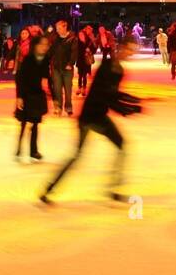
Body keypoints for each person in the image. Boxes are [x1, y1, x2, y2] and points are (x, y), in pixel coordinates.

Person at [40, 37, 142, 205]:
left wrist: (136, 102)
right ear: (120, 47)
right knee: (115, 146)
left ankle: (49, 189)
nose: (129, 53)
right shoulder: (108, 67)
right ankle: (111, 189)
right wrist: (131, 108)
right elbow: (108, 96)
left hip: (94, 115)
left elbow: (114, 95)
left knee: (78, 155)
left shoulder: (118, 69)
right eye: (128, 49)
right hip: (93, 116)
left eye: (132, 50)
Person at [14, 34, 51, 163]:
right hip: (26, 94)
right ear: (36, 46)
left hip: (38, 95)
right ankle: (19, 148)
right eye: (42, 44)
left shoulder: (46, 59)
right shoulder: (28, 60)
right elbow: (20, 79)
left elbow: (47, 77)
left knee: (35, 124)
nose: (45, 47)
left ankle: (33, 151)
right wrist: (19, 97)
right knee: (24, 124)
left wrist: (55, 98)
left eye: (46, 45)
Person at [46, 19, 77, 117]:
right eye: (56, 28)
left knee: (68, 90)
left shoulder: (72, 38)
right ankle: (58, 108)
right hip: (56, 68)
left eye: (59, 28)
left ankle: (68, 107)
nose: (57, 30)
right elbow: (50, 51)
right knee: (57, 89)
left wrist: (70, 63)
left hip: (67, 69)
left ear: (65, 27)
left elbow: (74, 52)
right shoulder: (55, 38)